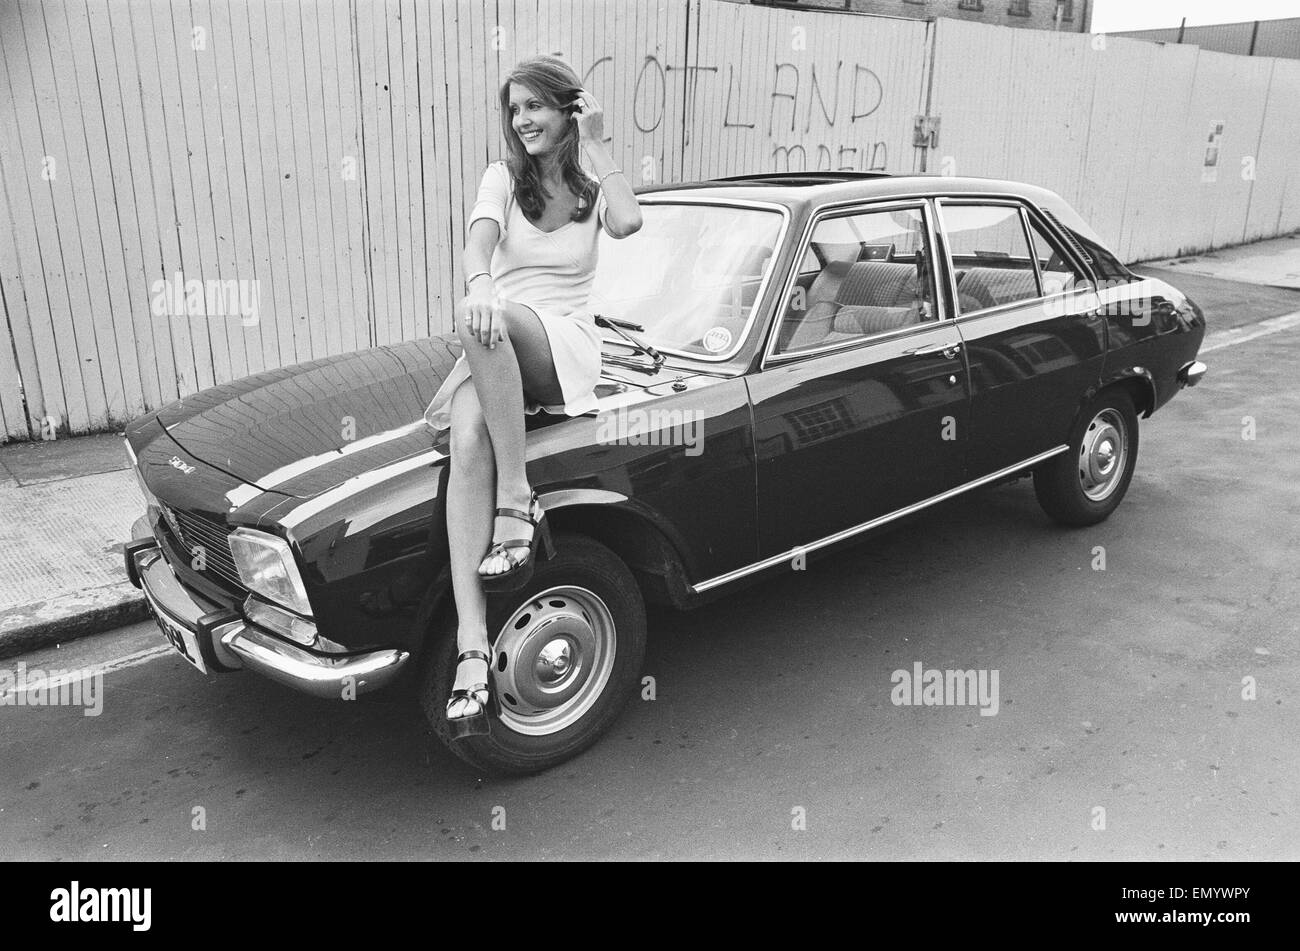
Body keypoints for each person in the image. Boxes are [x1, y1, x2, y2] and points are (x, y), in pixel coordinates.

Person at [422, 54, 643, 740]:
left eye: (535, 107)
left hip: (562, 347)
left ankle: (516, 495)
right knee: (465, 440)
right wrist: (482, 283)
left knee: (476, 318)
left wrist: (599, 142)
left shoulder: (590, 182)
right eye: (513, 109)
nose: (521, 121)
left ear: (568, 110)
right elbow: (476, 247)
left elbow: (630, 222)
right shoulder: (502, 177)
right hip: (497, 345)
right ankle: (469, 647)